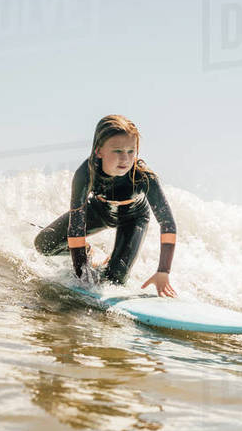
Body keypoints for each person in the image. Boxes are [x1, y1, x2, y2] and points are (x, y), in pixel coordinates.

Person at [34, 115, 177, 297]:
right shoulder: (86, 173)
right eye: (117, 151)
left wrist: (163, 271)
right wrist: (82, 272)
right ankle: (89, 251)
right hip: (99, 210)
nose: (125, 158)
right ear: (98, 151)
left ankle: (113, 264)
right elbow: (76, 227)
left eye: (131, 151)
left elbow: (168, 223)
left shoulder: (144, 177)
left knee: (115, 279)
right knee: (44, 244)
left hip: (134, 219)